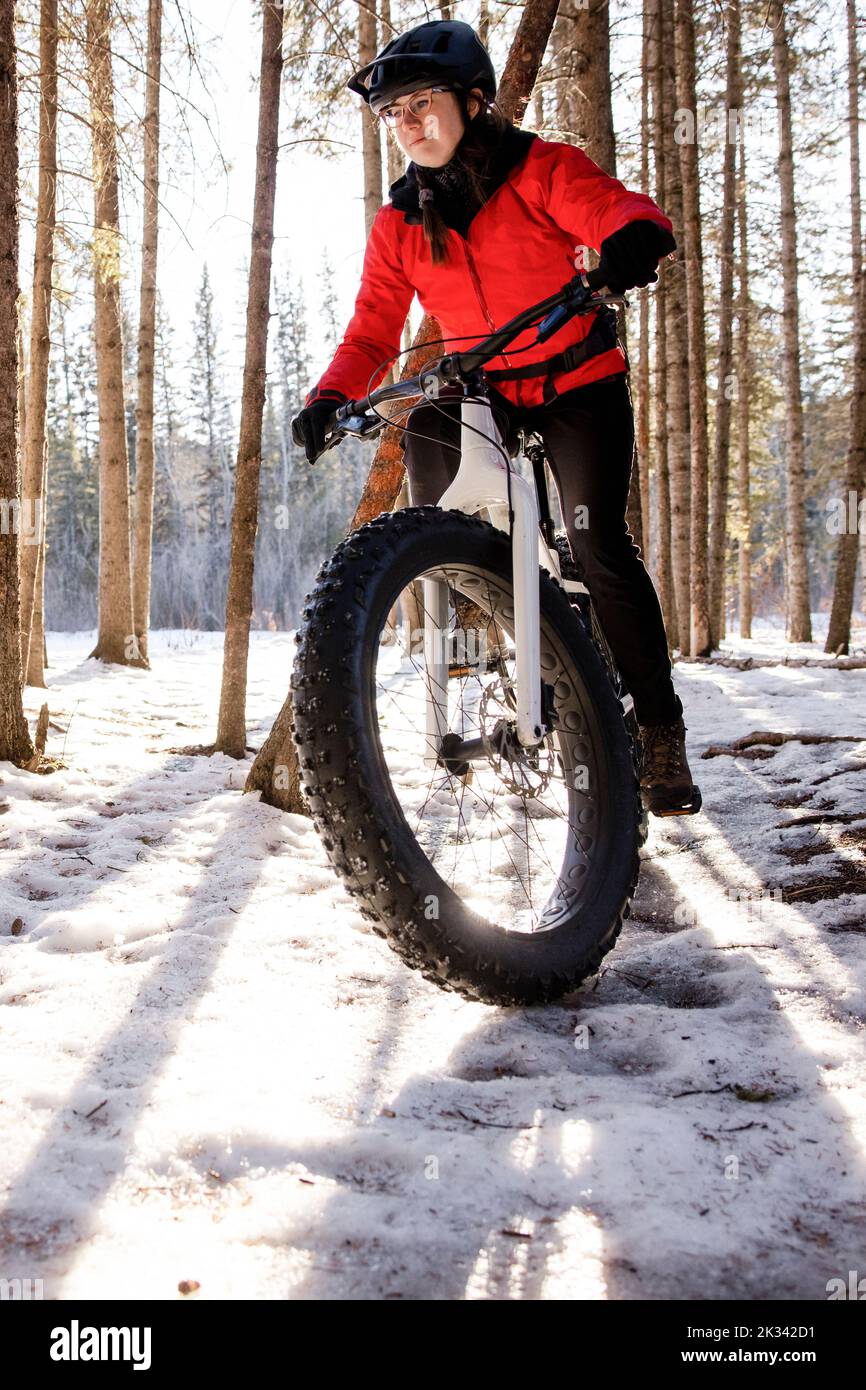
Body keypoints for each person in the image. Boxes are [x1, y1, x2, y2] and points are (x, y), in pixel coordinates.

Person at [291, 19, 701, 818]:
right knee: (443, 491)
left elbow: (616, 210)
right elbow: (373, 329)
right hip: (487, 389)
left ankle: (659, 728)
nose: (407, 125)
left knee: (596, 540)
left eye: (420, 104)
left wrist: (631, 241)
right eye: (392, 115)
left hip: (578, 378)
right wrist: (327, 397)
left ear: (473, 102)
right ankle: (485, 632)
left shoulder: (542, 169)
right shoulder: (400, 221)